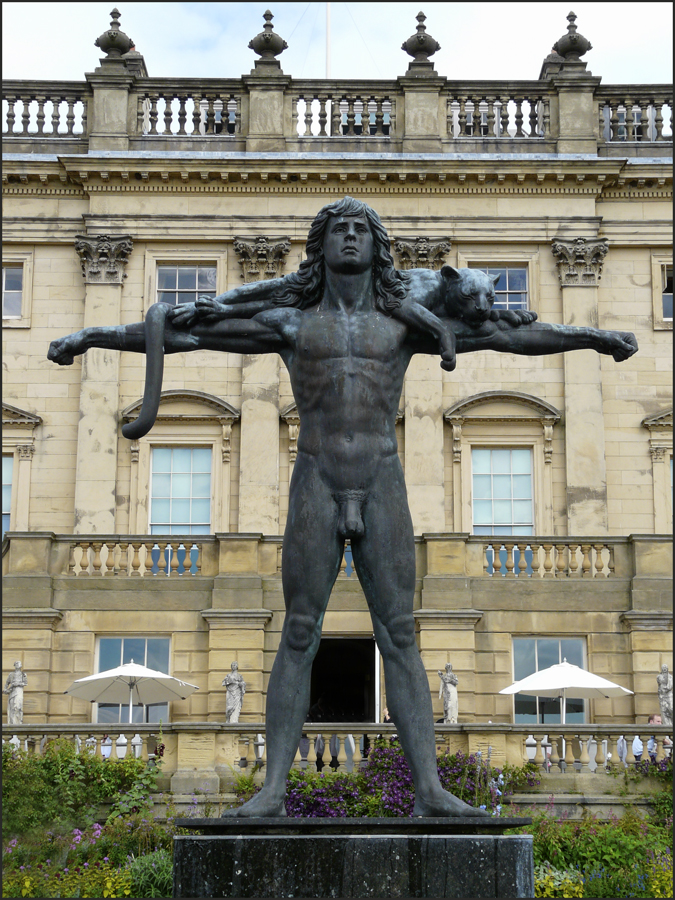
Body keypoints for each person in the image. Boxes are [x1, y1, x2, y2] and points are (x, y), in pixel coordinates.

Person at [48, 196, 638, 817]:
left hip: (382, 480)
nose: (351, 236)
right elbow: (186, 334)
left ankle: (431, 792)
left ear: (377, 247)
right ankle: (272, 790)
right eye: (339, 230)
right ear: (321, 247)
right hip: (316, 480)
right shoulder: (290, 324)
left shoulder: (405, 324)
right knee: (299, 631)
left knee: (401, 633)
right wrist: (92, 337)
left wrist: (596, 338)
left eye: (361, 229)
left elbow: (516, 336)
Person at [3, 661, 27, 726]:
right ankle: (12, 723)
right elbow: (7, 683)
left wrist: (17, 684)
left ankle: (18, 723)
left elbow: (25, 683)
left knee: (18, 706)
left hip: (19, 690)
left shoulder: (23, 674)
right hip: (12, 691)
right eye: (16, 664)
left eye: (19, 664)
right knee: (12, 707)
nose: (18, 665)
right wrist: (5, 689)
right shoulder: (11, 674)